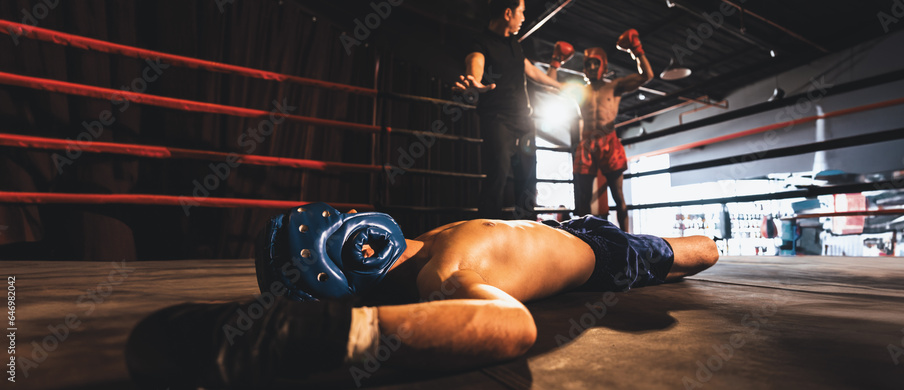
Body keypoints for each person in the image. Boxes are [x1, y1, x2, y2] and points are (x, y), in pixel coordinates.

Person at [125, 203, 719, 388]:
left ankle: (714, 242)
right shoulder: (432, 254)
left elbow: (514, 327)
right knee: (689, 254)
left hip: (598, 250)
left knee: (701, 254)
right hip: (585, 248)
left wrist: (316, 336)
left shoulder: (443, 273)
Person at [453, 0, 564, 220]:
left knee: (527, 179)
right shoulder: (480, 42)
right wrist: (473, 81)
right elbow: (475, 63)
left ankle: (527, 230)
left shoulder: (514, 43)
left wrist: (559, 86)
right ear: (508, 13)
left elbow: (531, 70)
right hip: (497, 119)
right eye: (521, 11)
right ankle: (486, 230)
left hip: (524, 120)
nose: (523, 17)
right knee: (498, 174)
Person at [547, 30, 654, 232]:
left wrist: (637, 51)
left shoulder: (615, 86)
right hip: (586, 143)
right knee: (583, 198)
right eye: (589, 64)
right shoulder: (579, 90)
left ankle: (626, 237)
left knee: (619, 195)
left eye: (597, 63)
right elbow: (550, 86)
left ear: (603, 66)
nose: (592, 67)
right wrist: (555, 61)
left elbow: (647, 75)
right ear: (584, 69)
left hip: (609, 140)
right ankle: (584, 238)